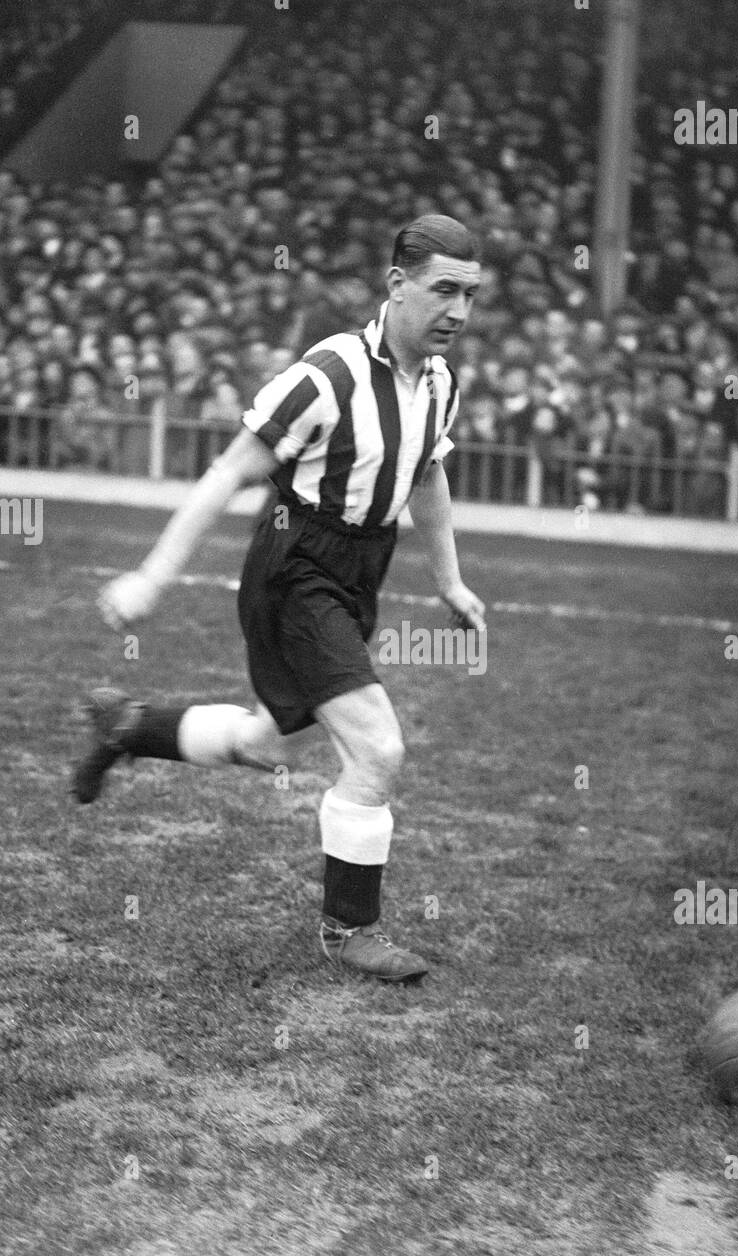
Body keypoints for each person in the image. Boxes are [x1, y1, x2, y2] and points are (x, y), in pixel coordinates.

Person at [71, 214, 485, 985]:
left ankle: (131, 725)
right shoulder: (326, 375)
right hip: (296, 567)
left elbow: (428, 477)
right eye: (445, 291)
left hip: (360, 572)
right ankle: (350, 929)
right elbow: (228, 472)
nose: (459, 311)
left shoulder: (440, 383)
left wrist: (450, 580)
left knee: (268, 741)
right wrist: (152, 577)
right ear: (397, 285)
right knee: (377, 747)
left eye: (470, 295)